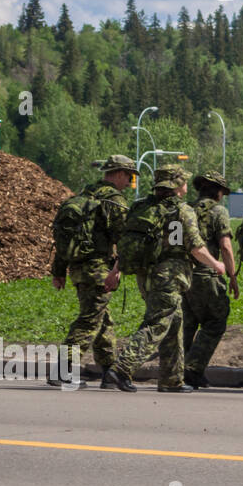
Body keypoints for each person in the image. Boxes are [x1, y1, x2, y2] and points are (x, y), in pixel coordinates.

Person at [108, 165, 225, 392]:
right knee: (158, 323)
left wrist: (116, 269)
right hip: (169, 276)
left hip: (146, 274)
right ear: (176, 184)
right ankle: (122, 367)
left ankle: (172, 379)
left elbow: (127, 242)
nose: (185, 186)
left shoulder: (141, 207)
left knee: (175, 323)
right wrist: (216, 264)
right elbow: (196, 247)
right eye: (183, 181)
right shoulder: (181, 211)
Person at [49, 154, 137, 387]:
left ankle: (109, 372)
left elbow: (64, 240)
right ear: (118, 174)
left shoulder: (83, 196)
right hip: (98, 269)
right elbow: (124, 240)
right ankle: (62, 371)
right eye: (128, 177)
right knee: (89, 321)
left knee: (103, 320)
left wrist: (58, 271)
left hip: (78, 269)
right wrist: (118, 269)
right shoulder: (114, 201)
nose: (129, 182)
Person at [181, 171, 237, 388]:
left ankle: (178, 367)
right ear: (218, 191)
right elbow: (225, 245)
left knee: (188, 323)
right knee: (215, 321)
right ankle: (192, 369)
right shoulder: (218, 211)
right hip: (207, 274)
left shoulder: (186, 210)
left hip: (185, 274)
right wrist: (231, 275)